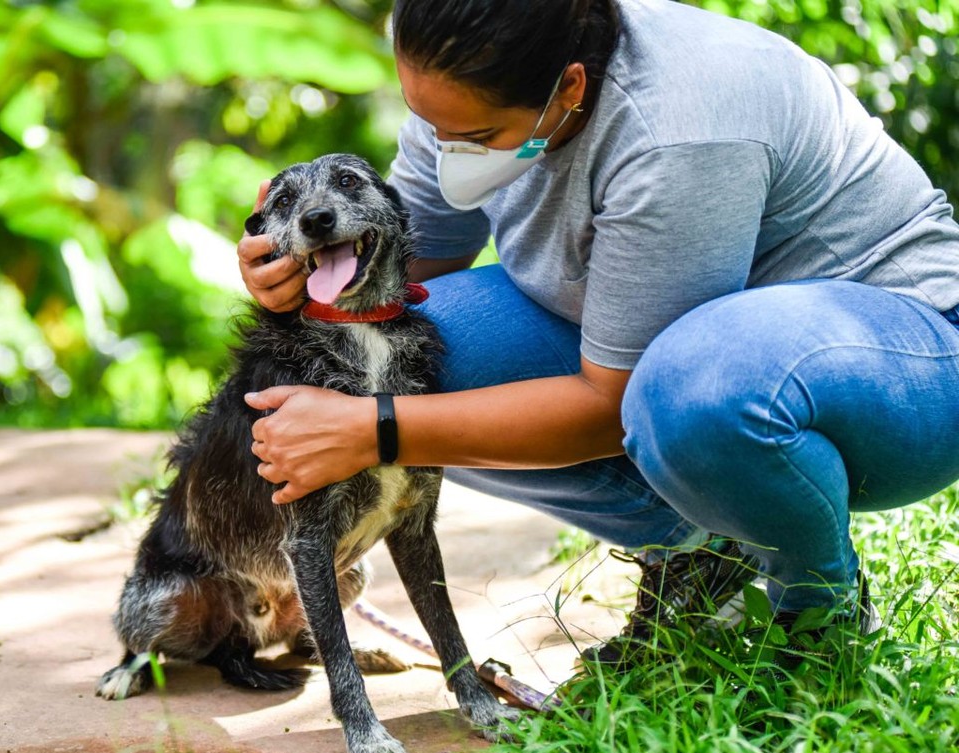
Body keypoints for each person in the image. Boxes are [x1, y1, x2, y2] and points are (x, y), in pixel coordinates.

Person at [236, 0, 959, 670]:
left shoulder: (673, 130)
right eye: (429, 124)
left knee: (689, 394)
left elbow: (609, 403)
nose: (445, 148)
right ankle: (708, 563)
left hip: (899, 357)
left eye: (477, 137)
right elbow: (405, 267)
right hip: (687, 340)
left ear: (570, 88)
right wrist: (302, 278)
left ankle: (819, 621)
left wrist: (377, 429)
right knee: (396, 357)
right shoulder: (462, 65)